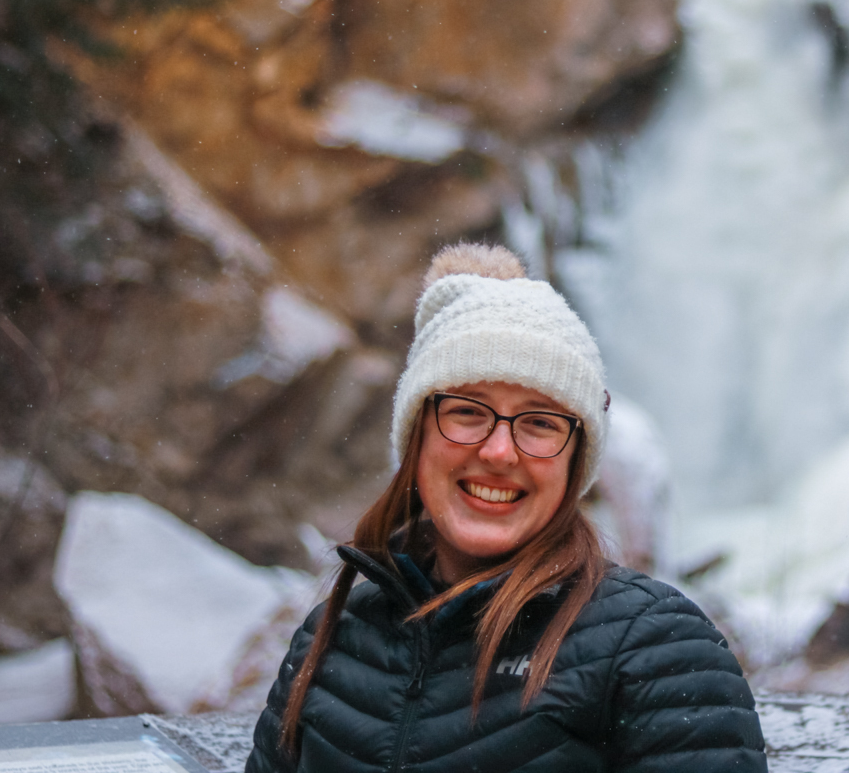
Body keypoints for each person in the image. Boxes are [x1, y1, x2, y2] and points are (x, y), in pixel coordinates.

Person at [245, 243, 767, 773]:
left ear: (575, 464)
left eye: (540, 422)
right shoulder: (332, 639)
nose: (499, 451)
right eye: (468, 411)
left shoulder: (660, 651)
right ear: (416, 435)